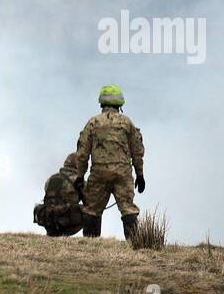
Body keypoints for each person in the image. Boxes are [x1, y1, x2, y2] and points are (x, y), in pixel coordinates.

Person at [74, 84, 145, 240]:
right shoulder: (127, 123)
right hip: (123, 173)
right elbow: (137, 150)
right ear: (120, 103)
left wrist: (80, 176)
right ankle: (135, 247)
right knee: (128, 209)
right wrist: (140, 174)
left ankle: (91, 249)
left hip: (98, 173)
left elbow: (82, 152)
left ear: (101, 102)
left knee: (91, 210)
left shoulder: (93, 123)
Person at [33, 153, 84, 236]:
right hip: (65, 219)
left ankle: (53, 233)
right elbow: (89, 199)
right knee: (90, 211)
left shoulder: (51, 178)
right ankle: (91, 237)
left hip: (48, 219)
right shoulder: (77, 180)